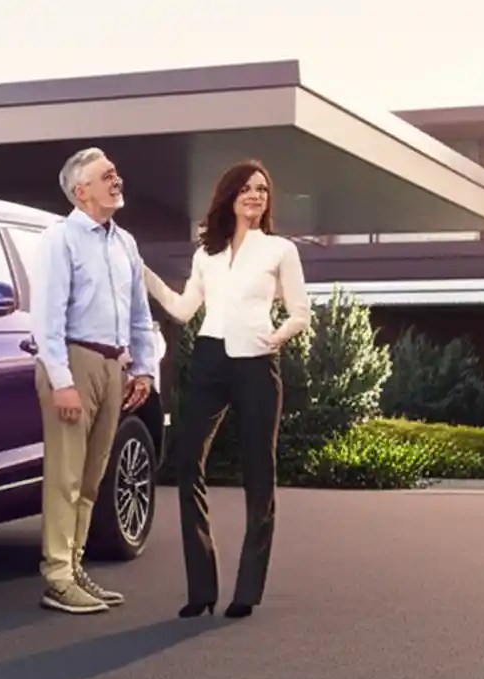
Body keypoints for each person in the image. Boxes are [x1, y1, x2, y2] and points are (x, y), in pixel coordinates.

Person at [141, 159, 309, 620]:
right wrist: (143, 274)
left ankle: (247, 591)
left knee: (259, 472)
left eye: (262, 189)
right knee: (187, 460)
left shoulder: (279, 250)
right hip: (211, 359)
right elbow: (180, 310)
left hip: (257, 364)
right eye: (246, 189)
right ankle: (201, 588)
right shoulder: (206, 254)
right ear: (230, 197)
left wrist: (274, 338)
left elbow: (300, 312)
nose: (255, 195)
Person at [32, 147, 158, 614]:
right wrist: (62, 381)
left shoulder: (125, 243)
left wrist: (144, 367)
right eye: (107, 176)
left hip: (114, 366)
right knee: (64, 477)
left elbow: (140, 315)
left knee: (91, 479)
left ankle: (75, 567)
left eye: (117, 173)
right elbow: (46, 318)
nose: (117, 180)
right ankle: (58, 576)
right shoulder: (60, 240)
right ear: (81, 190)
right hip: (74, 361)